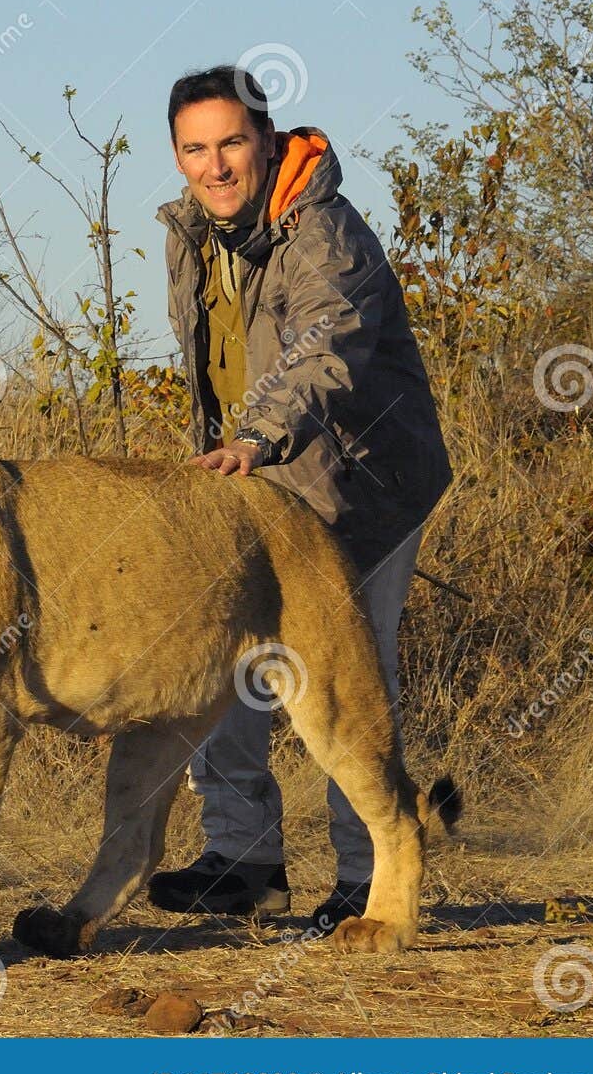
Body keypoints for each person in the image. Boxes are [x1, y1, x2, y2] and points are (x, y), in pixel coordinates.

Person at [148, 65, 453, 930]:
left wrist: (255, 439)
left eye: (231, 143)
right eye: (195, 149)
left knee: (351, 675)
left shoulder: (324, 231)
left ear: (267, 141)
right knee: (227, 661)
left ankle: (369, 880)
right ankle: (243, 863)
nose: (215, 165)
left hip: (363, 485)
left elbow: (325, 350)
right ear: (178, 157)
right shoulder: (190, 233)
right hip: (258, 488)